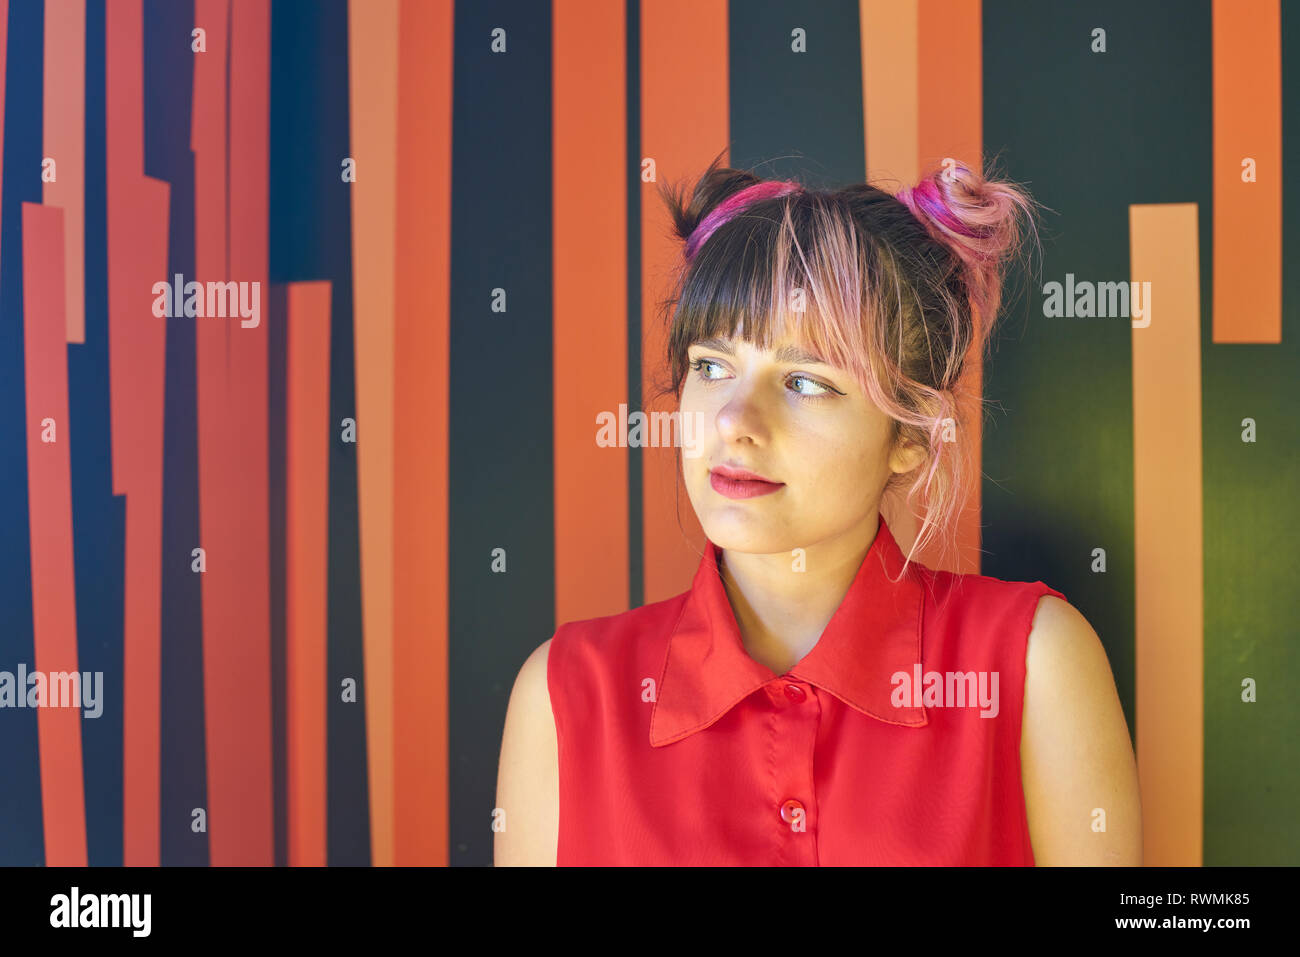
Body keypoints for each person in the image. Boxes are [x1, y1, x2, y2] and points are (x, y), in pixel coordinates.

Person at [495, 154, 1141, 866]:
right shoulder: (565, 696)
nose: (735, 422)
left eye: (804, 380)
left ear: (912, 435)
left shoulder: (1031, 663)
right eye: (712, 367)